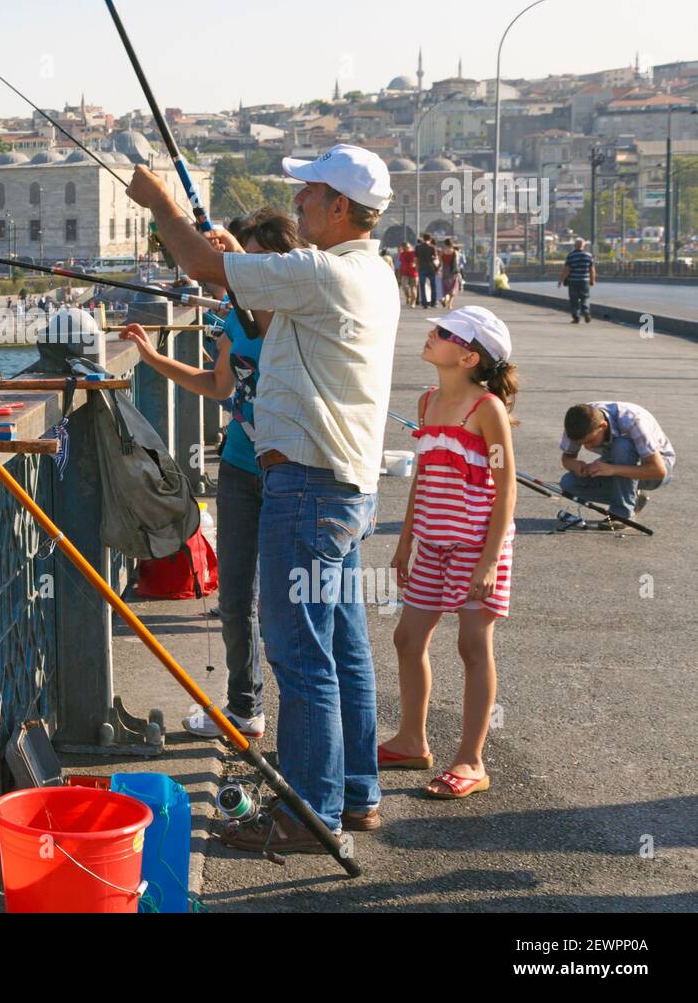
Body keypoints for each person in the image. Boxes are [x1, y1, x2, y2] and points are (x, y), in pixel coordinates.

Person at [128, 142, 398, 854]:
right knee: (342, 648)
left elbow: (199, 269)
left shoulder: (322, 272)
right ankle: (357, 795)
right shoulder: (368, 273)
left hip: (307, 486)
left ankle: (312, 815)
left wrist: (160, 203)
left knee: (299, 654)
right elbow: (257, 306)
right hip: (342, 484)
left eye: (309, 193)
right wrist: (234, 266)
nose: (299, 201)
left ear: (340, 206)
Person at [118, 208, 303, 742]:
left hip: (292, 466)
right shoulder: (232, 313)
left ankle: (304, 718)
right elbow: (220, 386)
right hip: (242, 464)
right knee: (235, 597)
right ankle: (245, 706)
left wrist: (234, 264)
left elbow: (269, 307)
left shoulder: (294, 306)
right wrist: (152, 359)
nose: (238, 272)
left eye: (252, 259)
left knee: (290, 598)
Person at [381, 306, 518, 800]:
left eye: (444, 333)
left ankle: (471, 760)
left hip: (477, 545)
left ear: (468, 356)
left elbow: (506, 491)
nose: (432, 336)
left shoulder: (486, 410)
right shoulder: (426, 402)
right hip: (432, 542)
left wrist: (488, 559)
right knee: (407, 638)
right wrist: (405, 540)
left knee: (472, 647)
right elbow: (423, 476)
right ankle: (411, 740)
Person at [559, 402, 674, 528]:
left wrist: (612, 469)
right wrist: (575, 465)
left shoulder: (633, 422)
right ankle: (632, 497)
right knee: (568, 483)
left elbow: (658, 471)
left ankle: (622, 514)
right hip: (617, 461)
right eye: (581, 443)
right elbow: (567, 458)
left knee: (622, 446)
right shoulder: (576, 422)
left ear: (603, 426)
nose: (587, 446)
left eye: (590, 441)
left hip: (654, 468)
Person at [559, 237, 595, 323]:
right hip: (584, 281)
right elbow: (592, 269)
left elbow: (566, 269)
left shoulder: (570, 255)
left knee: (573, 299)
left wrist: (560, 280)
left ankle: (576, 317)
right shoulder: (589, 256)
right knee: (585, 297)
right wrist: (592, 280)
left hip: (573, 281)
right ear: (583, 246)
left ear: (575, 246)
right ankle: (586, 311)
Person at [415, 233, 439, 310]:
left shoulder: (418, 247)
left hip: (422, 268)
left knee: (422, 286)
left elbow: (416, 259)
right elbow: (435, 257)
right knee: (433, 286)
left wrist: (417, 267)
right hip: (431, 268)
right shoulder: (432, 247)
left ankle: (425, 303)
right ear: (430, 239)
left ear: (423, 238)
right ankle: (433, 302)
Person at [438, 238, 460, 308]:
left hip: (445, 270)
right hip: (452, 271)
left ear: (445, 244)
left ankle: (444, 299)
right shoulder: (454, 252)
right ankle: (450, 304)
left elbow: (440, 262)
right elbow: (456, 262)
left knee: (445, 285)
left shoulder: (442, 252)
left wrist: (439, 269)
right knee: (453, 286)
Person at [397, 242, 419, 307]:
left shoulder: (414, 253)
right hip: (405, 273)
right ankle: (408, 296)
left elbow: (417, 261)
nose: (406, 248)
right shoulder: (402, 254)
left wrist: (415, 265)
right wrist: (399, 273)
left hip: (413, 273)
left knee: (413, 288)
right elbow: (401, 263)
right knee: (404, 286)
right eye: (404, 248)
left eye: (407, 247)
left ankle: (413, 303)